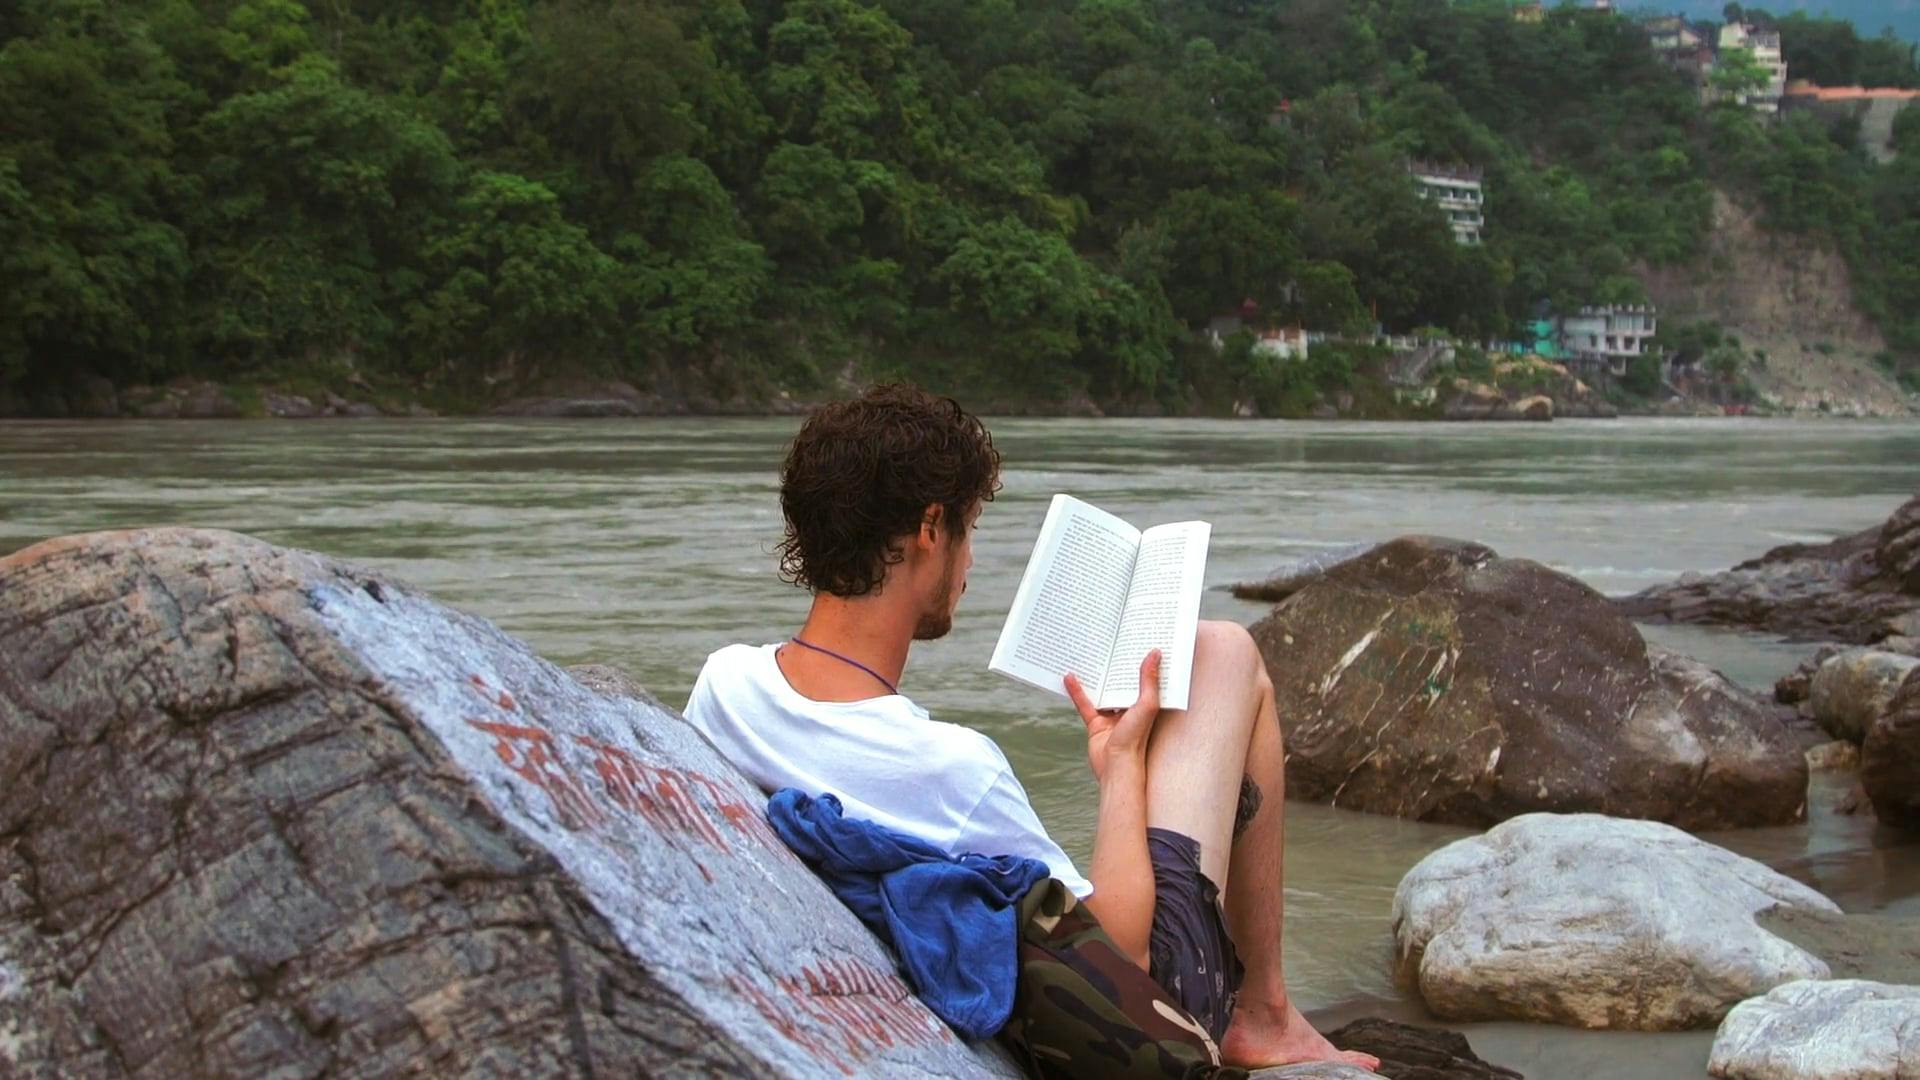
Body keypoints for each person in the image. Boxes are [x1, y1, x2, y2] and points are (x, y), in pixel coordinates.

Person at [683, 384, 1378, 1071]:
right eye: (971, 529)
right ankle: (1262, 1015)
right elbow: (1122, 951)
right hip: (1139, 1012)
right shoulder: (954, 770)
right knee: (1226, 652)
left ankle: (1267, 1013)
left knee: (1209, 653)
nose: (972, 563)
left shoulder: (725, 684)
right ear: (931, 530)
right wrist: (1122, 765)